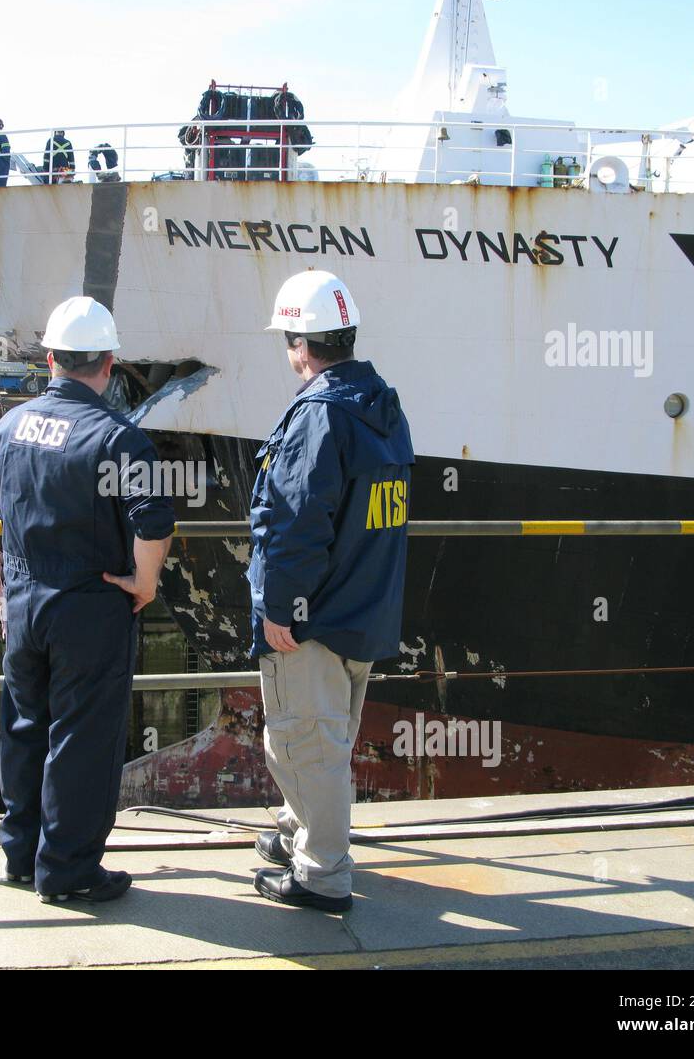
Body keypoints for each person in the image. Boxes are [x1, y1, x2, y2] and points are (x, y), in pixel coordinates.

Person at [0, 295, 174, 903]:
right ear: (109, 363)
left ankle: (20, 854)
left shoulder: (9, 426)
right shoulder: (119, 438)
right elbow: (154, 522)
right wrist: (143, 583)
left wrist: (7, 578)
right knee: (82, 740)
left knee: (24, 726)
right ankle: (66, 869)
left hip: (23, 601)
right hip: (87, 607)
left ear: (50, 359)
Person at [247, 270, 414, 913]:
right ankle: (303, 829)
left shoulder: (318, 413)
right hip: (362, 611)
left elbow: (294, 522)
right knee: (328, 737)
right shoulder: (381, 406)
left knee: (303, 742)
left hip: (312, 618)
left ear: (302, 343)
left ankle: (321, 873)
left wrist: (283, 608)